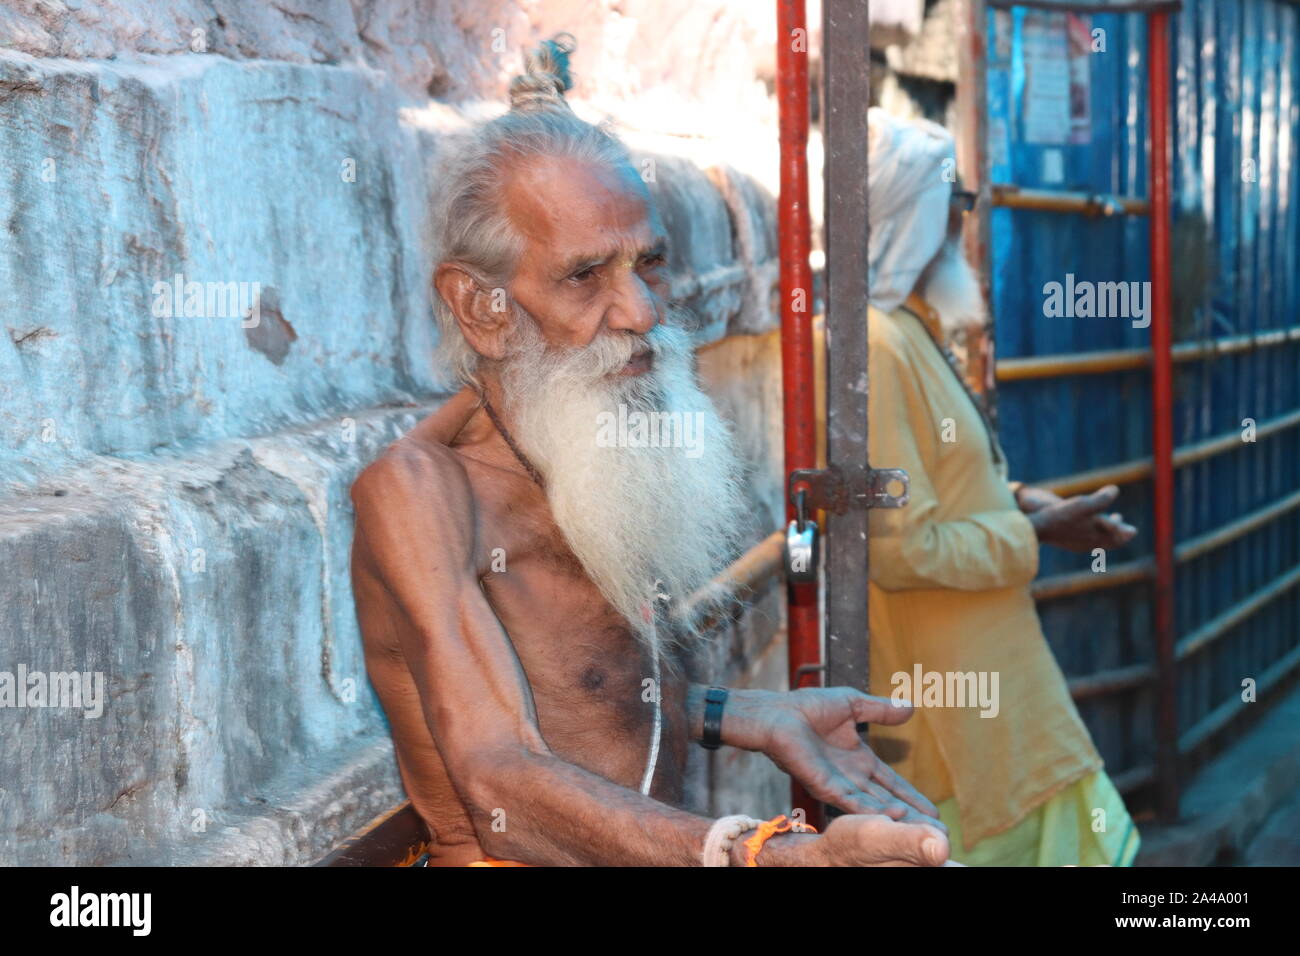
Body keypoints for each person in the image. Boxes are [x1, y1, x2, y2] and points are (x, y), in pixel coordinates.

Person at [348, 38, 950, 867]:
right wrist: (755, 854)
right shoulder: (417, 492)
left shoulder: (594, 445)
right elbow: (498, 780)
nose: (638, 310)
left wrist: (742, 714)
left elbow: (580, 689)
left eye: (650, 263)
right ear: (480, 306)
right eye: (584, 275)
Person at [862, 107, 1141, 866]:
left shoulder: (907, 326)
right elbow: (900, 549)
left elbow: (946, 488)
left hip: (1004, 691)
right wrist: (1038, 535)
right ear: (915, 216)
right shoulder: (875, 344)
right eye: (956, 205)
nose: (964, 225)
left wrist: (1026, 503)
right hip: (959, 715)